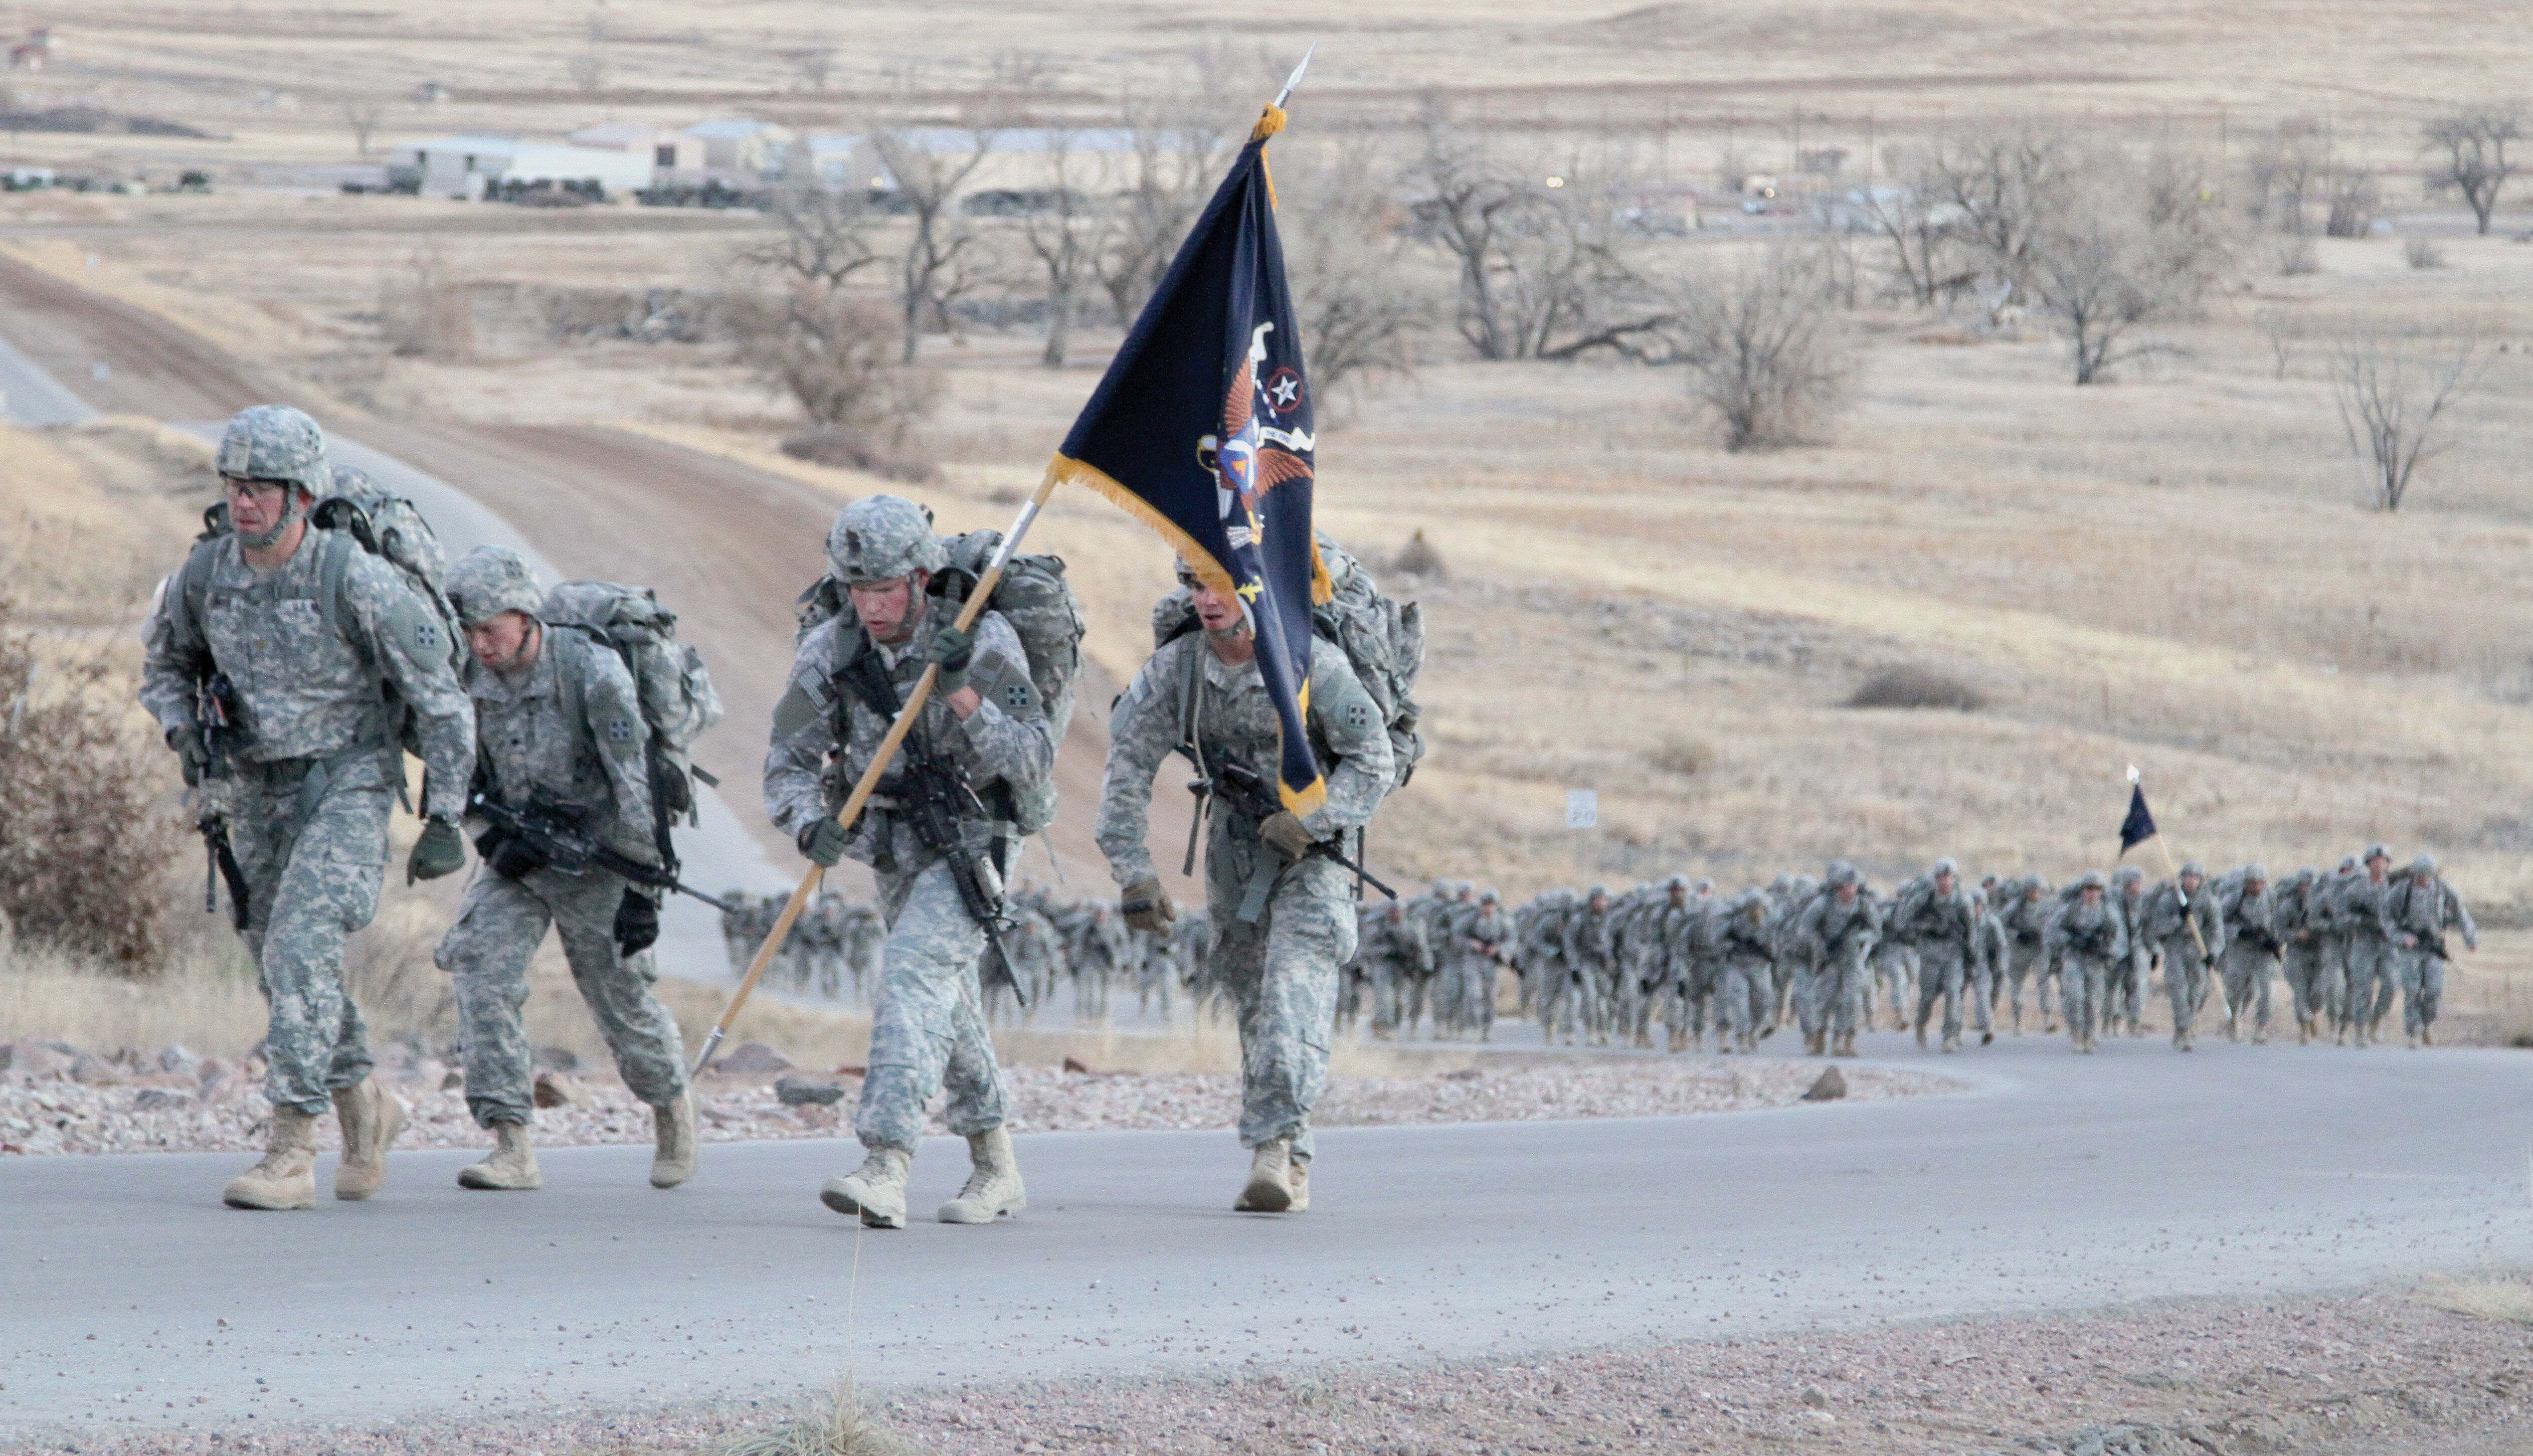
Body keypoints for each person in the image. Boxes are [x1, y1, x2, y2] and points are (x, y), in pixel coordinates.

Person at [139, 405, 474, 1211]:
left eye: (263, 488)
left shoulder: (355, 579)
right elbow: (163, 666)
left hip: (346, 782)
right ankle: (366, 1107)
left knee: (300, 944)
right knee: (281, 965)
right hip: (250, 787)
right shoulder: (206, 576)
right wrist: (184, 729)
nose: (244, 500)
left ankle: (291, 1150)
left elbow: (444, 701)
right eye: (235, 484)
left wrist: (446, 816)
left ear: (301, 496)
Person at [765, 496, 1057, 1228]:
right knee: (943, 1002)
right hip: (892, 845)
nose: (871, 606)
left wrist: (961, 691)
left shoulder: (981, 640)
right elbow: (785, 762)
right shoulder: (829, 650)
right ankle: (996, 1168)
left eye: (885, 590)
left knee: (911, 975)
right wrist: (809, 827)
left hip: (972, 839)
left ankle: (886, 1164)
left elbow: (1034, 758)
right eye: (858, 590)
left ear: (921, 579)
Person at [1098, 557, 1394, 1214]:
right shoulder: (1177, 671)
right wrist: (1132, 870)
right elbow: (1127, 768)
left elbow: (1375, 760)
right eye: (1196, 586)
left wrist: (1313, 822)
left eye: (1222, 585)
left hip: (1313, 856)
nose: (1208, 600)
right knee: (1256, 1008)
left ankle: (1269, 1148)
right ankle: (1294, 1152)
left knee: (1292, 996)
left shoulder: (1310, 661)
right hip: (1234, 857)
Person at [429, 547, 696, 1192]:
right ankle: (510, 1143)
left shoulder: (592, 673)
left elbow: (638, 786)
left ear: (525, 617)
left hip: (601, 857)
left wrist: (642, 888)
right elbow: (456, 769)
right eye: (470, 632)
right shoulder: (465, 674)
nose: (481, 644)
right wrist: (488, 838)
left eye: (491, 629)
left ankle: (671, 1110)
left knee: (622, 1001)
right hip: (519, 855)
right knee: (481, 970)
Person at [2384, 854, 2474, 1048]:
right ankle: (2413, 1033)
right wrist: (2401, 938)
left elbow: (2460, 912)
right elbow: (2386, 917)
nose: (2424, 879)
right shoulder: (2401, 891)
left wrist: (2470, 937)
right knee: (2412, 990)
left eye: (2428, 875)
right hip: (2410, 948)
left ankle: (2428, 1024)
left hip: (2433, 947)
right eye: (2420, 875)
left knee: (2435, 989)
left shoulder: (2442, 889)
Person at [1794, 862, 1879, 1057]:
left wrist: (1861, 940)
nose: (1849, 890)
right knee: (1825, 998)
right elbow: (1805, 929)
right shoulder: (1823, 904)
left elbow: (1876, 931)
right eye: (1845, 887)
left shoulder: (1864, 906)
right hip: (1829, 960)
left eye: (1853, 886)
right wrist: (1818, 946)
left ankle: (1844, 1040)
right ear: (1837, 887)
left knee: (1851, 1000)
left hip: (1853, 960)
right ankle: (1819, 1035)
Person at [1894, 858, 1976, 1053]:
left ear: (1954, 879)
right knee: (1928, 997)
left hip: (1953, 953)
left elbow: (1971, 930)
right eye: (1941, 877)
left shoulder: (1963, 902)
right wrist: (1924, 927)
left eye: (1948, 877)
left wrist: (1970, 954)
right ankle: (1921, 1024)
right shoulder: (1924, 900)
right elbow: (1902, 922)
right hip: (1930, 952)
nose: (1945, 882)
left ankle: (1949, 1036)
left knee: (1953, 993)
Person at [2142, 861, 2226, 1051]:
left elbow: (2217, 931)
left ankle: (2190, 1020)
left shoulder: (2209, 901)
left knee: (2197, 991)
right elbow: (2159, 928)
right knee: (2179, 990)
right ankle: (2182, 1029)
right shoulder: (2169, 899)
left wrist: (2213, 953)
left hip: (2198, 949)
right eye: (2188, 877)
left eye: (2196, 878)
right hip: (2176, 948)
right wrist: (2178, 919)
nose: (2191, 881)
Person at [2046, 871, 2128, 1053]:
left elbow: (2121, 940)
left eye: (2097, 889)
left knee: (2093, 1001)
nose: (2093, 893)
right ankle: (2076, 1034)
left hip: (2096, 961)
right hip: (2073, 958)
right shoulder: (2070, 910)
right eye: (2089, 889)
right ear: (2082, 890)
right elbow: (2051, 932)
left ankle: (2090, 1037)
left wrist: (2106, 948)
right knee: (2075, 997)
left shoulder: (2108, 913)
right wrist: (2070, 940)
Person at [2339, 845, 2401, 1048]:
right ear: (2368, 864)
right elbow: (2342, 914)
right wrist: (2363, 921)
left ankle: (2378, 1018)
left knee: (2392, 984)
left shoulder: (2395, 886)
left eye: (2383, 860)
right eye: (2375, 861)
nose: (2379, 864)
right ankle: (2360, 1029)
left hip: (2388, 943)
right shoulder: (2357, 887)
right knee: (2363, 988)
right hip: (2364, 943)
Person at [2216, 864, 2281, 1044]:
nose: (2257, 888)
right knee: (2236, 990)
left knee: (2267, 991)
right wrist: (2240, 932)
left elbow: (2279, 922)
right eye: (2253, 884)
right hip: (2240, 950)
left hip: (2263, 952)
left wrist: (2275, 942)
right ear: (2246, 884)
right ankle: (2234, 1019)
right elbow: (2219, 924)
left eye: (2261, 883)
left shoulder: (2271, 898)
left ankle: (2261, 1028)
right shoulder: (2234, 899)